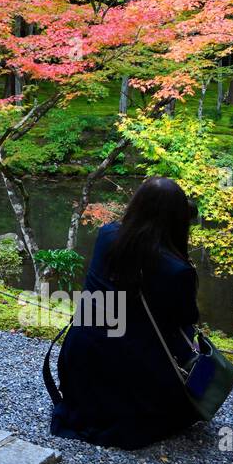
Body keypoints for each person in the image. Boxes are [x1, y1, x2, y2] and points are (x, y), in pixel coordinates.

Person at [49, 176, 201, 449]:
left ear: (136, 205)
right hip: (129, 374)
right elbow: (186, 319)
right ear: (179, 219)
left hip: (80, 359)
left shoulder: (107, 235)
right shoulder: (177, 270)